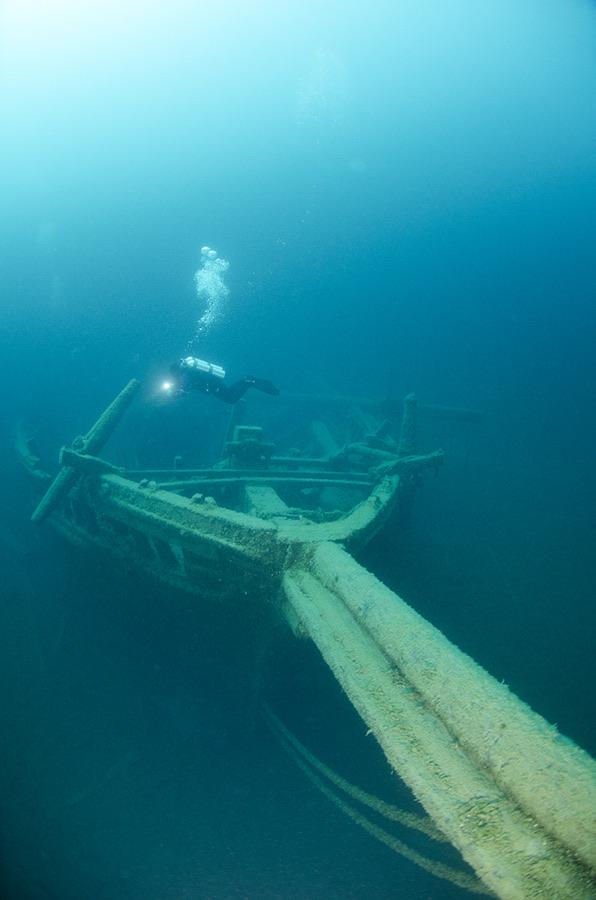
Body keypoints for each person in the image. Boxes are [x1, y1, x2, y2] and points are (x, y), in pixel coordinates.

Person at [164, 356, 279, 405]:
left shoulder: (185, 375)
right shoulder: (187, 373)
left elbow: (184, 391)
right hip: (214, 383)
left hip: (213, 385)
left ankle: (248, 382)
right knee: (229, 393)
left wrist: (172, 394)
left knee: (231, 399)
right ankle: (246, 381)